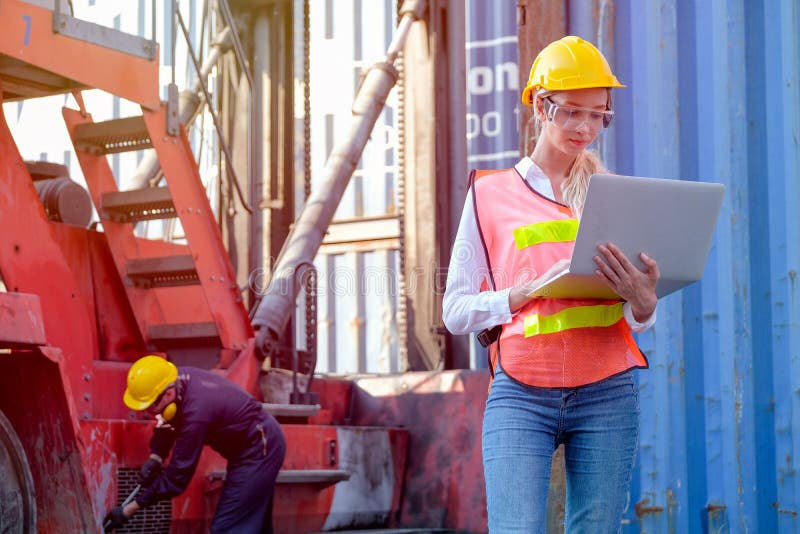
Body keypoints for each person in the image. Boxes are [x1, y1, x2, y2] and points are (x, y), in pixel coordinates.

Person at [442, 35, 659, 533]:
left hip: (607, 389)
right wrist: (522, 293)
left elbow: (634, 315)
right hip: (521, 393)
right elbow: (454, 310)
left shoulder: (614, 196)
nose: (585, 127)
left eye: (598, 115)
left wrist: (645, 303)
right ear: (542, 106)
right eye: (572, 111)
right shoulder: (490, 195)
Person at [103, 355, 286, 533]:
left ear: (168, 394)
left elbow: (177, 478)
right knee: (251, 524)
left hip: (261, 447)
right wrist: (155, 457)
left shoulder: (196, 414)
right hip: (249, 447)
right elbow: (168, 422)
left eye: (151, 406)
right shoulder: (173, 380)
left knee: (227, 527)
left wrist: (129, 510)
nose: (150, 412)